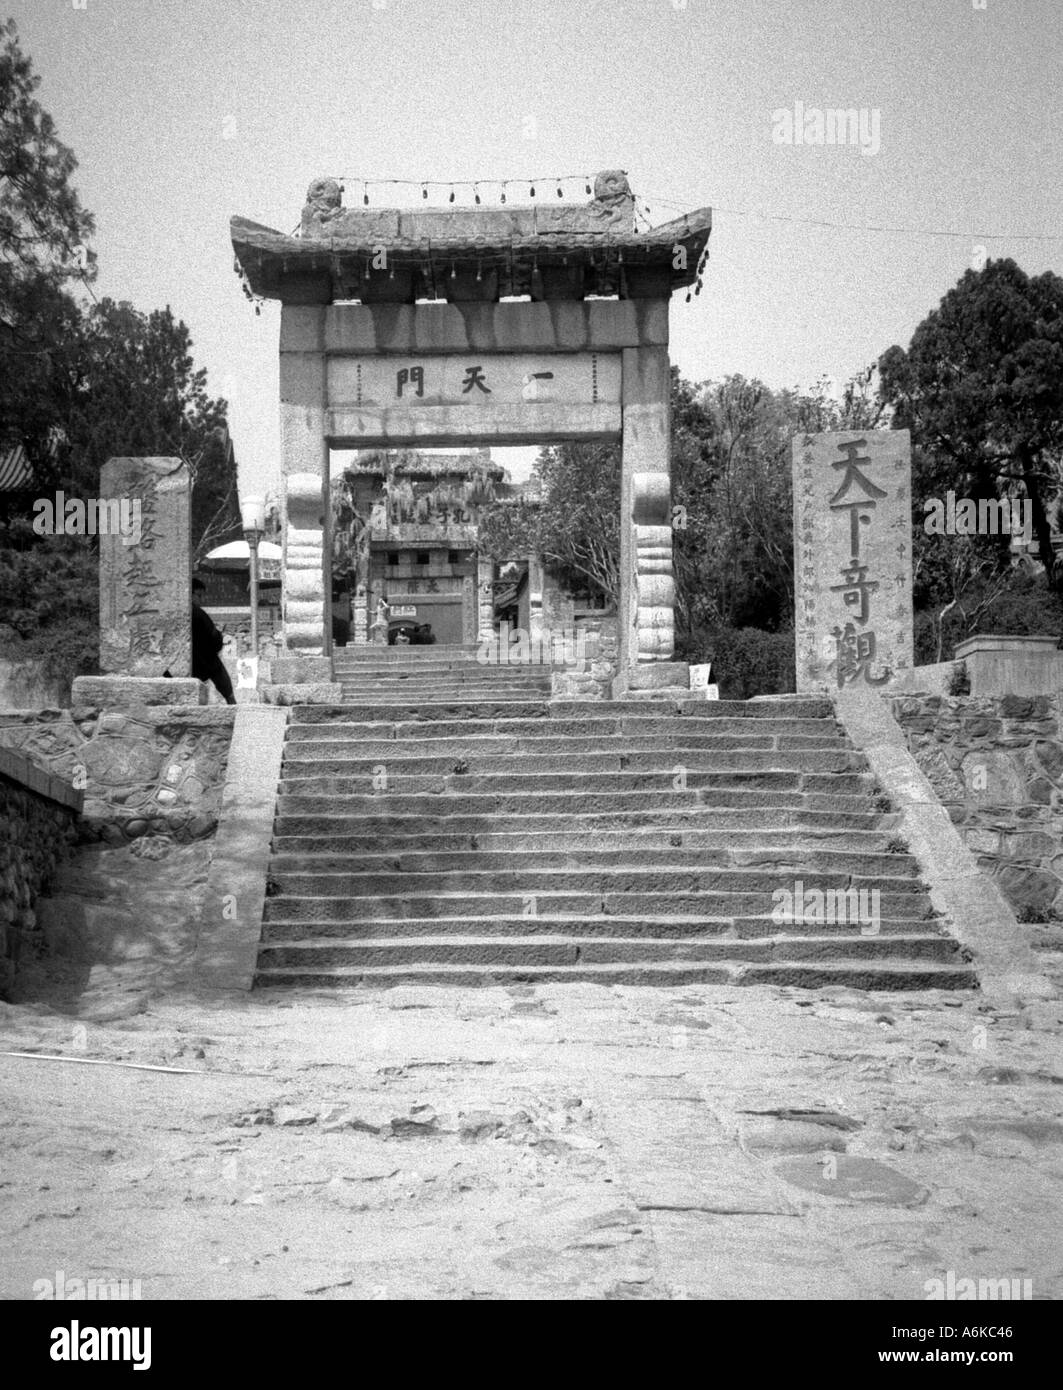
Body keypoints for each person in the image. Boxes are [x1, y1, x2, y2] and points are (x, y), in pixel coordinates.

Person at [191, 578, 235, 704]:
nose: (201, 600)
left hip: (194, 660)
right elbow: (214, 639)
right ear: (190, 593)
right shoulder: (197, 613)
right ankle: (231, 700)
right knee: (216, 667)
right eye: (199, 596)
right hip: (202, 659)